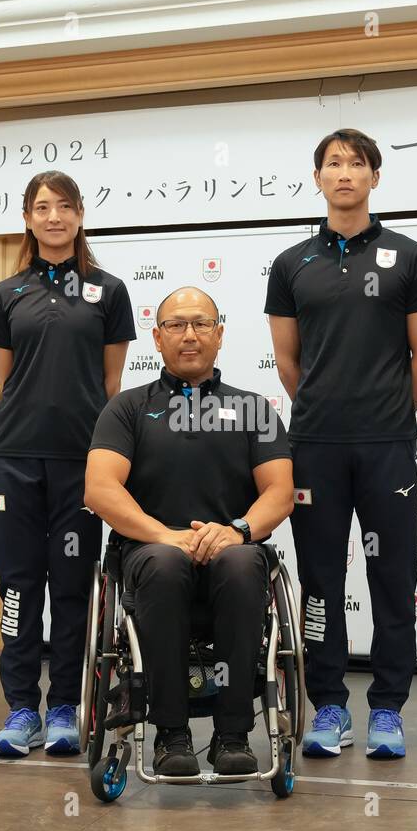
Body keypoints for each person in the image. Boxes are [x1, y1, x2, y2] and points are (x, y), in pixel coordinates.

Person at [265, 128, 417, 759]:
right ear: (318, 178)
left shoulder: (411, 258)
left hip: (388, 444)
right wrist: (323, 409)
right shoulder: (292, 265)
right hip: (315, 444)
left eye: (357, 163)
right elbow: (289, 363)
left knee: (392, 578)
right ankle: (330, 707)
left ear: (375, 177)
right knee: (319, 581)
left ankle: (389, 709)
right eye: (333, 163)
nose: (345, 173)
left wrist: (389, 413)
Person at [85, 287, 294, 776]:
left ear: (220, 335)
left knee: (243, 563)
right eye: (176, 325)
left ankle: (233, 735)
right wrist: (165, 534)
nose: (190, 335)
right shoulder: (128, 409)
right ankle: (171, 735)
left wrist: (238, 530)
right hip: (151, 555)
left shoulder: (254, 410)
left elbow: (280, 493)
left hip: (233, 550)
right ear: (156, 338)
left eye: (201, 323)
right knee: (165, 562)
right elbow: (99, 488)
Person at [0, 171, 135, 757]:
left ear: (78, 216)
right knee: (18, 587)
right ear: (26, 218)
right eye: (41, 207)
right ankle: (22, 710)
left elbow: (110, 382)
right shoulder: (5, 294)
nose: (53, 217)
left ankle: (66, 707)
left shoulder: (109, 290)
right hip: (14, 458)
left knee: (72, 587)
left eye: (64, 207)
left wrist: (98, 452)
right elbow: (4, 382)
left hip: (82, 461)